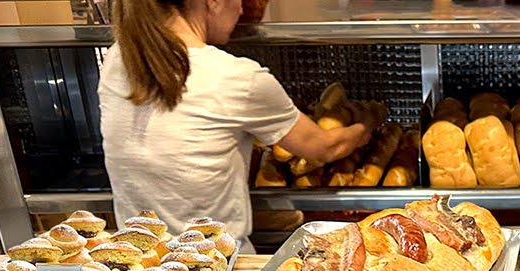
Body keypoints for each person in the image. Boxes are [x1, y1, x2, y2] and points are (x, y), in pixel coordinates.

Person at [98, 0, 371, 242]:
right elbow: (324, 147)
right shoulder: (236, 77)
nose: (242, 8)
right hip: (217, 267)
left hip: (142, 263)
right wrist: (367, 125)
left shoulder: (116, 59)